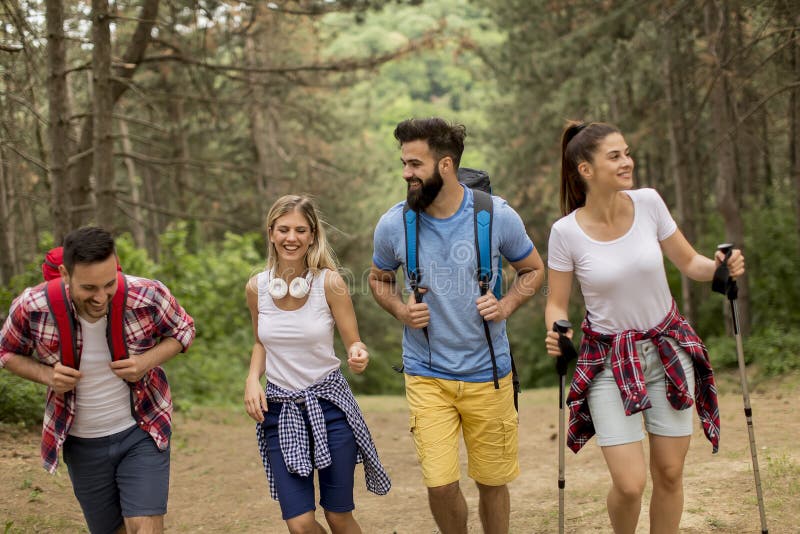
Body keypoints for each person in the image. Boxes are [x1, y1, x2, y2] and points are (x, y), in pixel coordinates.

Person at [544, 121, 746, 534]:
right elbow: (556, 304)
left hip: (669, 351)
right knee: (630, 483)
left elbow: (691, 263)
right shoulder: (565, 233)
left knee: (670, 473)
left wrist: (720, 269)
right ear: (586, 169)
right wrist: (559, 332)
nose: (627, 162)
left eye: (627, 152)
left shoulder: (649, 203)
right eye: (614, 156)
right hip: (608, 362)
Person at [369, 118, 545, 534]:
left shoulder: (495, 216)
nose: (406, 173)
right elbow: (378, 279)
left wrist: (506, 304)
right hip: (426, 374)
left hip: (490, 375)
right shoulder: (394, 224)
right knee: (440, 483)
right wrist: (400, 311)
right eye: (404, 163)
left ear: (445, 165)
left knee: (491, 482)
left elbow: (533, 270)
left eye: (415, 164)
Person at [0, 226, 196, 534]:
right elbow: (6, 352)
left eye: (109, 284)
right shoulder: (33, 307)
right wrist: (46, 375)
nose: (101, 297)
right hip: (81, 442)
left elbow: (184, 330)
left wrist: (145, 362)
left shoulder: (147, 294)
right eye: (89, 288)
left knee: (143, 525)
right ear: (65, 274)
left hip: (141, 429)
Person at [244, 194, 390, 534]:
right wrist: (253, 379)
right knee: (299, 523)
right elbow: (259, 342)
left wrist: (358, 353)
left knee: (337, 516)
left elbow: (354, 342)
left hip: (330, 409)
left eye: (299, 230)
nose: (290, 237)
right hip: (280, 412)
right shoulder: (257, 288)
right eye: (283, 229)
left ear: (312, 235)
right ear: (271, 233)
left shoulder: (330, 283)